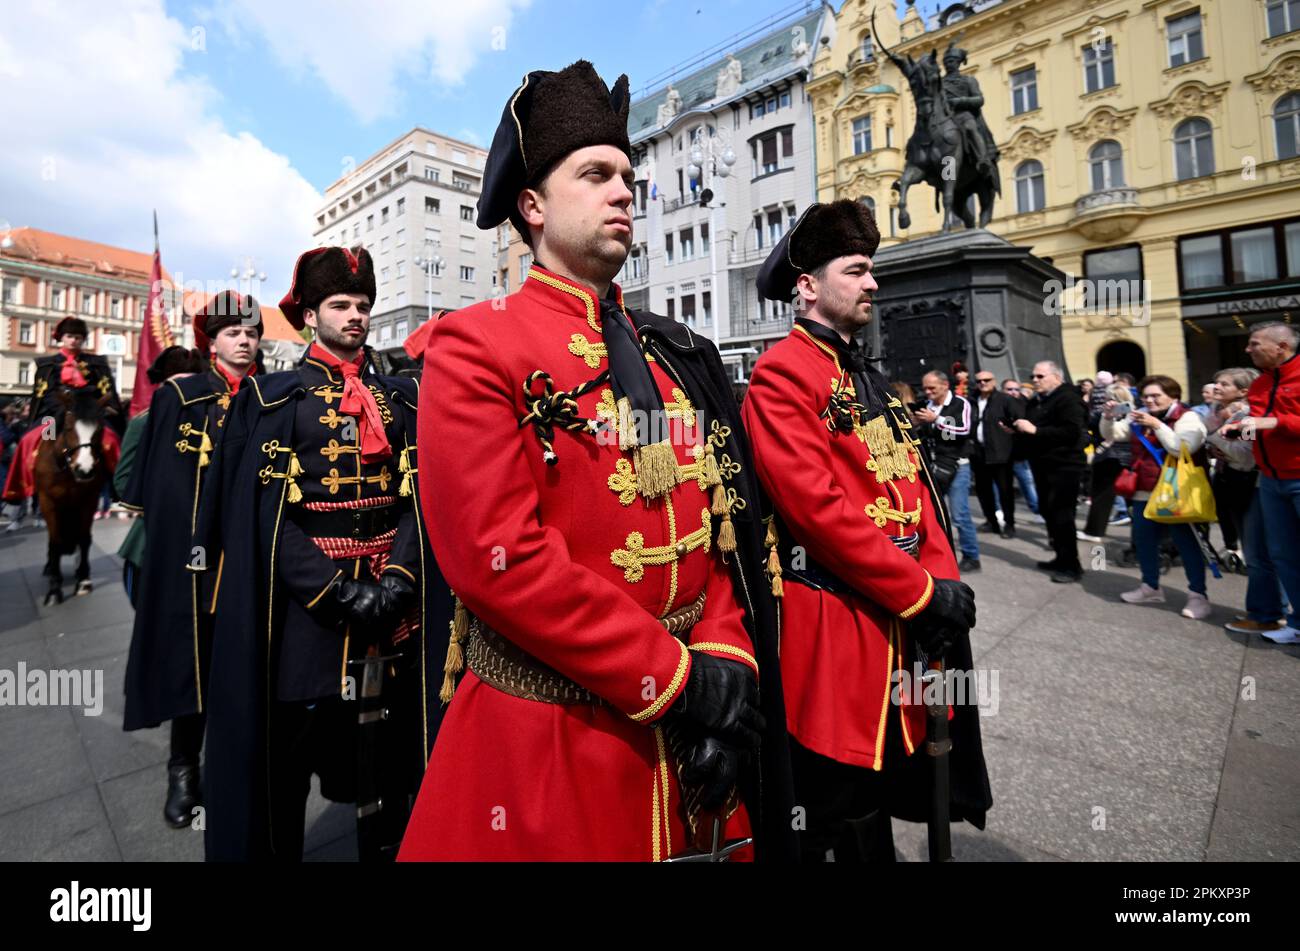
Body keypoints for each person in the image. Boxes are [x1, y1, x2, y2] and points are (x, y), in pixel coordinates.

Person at [397, 60, 795, 862]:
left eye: (627, 174)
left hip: (689, 755)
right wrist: (679, 684)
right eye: (596, 174)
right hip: (553, 742)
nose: (625, 191)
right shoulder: (476, 347)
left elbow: (704, 528)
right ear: (534, 206)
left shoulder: (657, 350)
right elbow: (498, 563)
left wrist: (724, 658)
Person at [742, 198, 988, 862]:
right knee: (830, 795)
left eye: (871, 269)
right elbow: (817, 511)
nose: (873, 282)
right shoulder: (783, 373)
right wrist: (917, 591)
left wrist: (942, 580)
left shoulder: (867, 374)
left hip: (898, 612)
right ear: (807, 286)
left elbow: (914, 490)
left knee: (880, 784)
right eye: (856, 269)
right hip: (837, 621)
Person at [192, 249, 447, 860]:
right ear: (310, 315)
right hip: (307, 620)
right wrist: (337, 591)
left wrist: (401, 578)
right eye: (340, 305)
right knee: (289, 765)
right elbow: (257, 517)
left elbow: (422, 493)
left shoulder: (401, 399)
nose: (355, 316)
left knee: (390, 766)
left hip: (392, 609)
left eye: (362, 305)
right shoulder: (273, 399)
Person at [120, 294, 263, 830]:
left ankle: (245, 768)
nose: (244, 340)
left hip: (253, 561)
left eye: (250, 333)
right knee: (192, 665)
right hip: (194, 564)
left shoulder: (273, 395)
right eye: (232, 333)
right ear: (212, 342)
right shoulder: (180, 395)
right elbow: (159, 488)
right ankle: (184, 769)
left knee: (248, 668)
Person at [1102, 375, 1210, 619]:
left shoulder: (1188, 417)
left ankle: (1198, 596)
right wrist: (1107, 417)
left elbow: (1181, 448)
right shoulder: (1139, 415)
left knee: (1186, 544)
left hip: (1177, 491)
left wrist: (1157, 425)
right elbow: (1113, 434)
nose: (1149, 400)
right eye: (1146, 396)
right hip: (1145, 487)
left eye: (1156, 396)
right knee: (1144, 540)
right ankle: (1150, 586)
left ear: (1173, 396)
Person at [1220, 322, 1300, 644]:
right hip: (1270, 479)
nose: (1247, 349)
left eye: (1254, 344)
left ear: (1281, 346)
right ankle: (1295, 624)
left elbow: (1275, 424)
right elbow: (1262, 429)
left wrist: (1271, 421)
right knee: (1283, 555)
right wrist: (1238, 431)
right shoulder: (1261, 384)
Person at [2, 317, 124, 506]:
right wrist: (65, 409)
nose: (74, 340)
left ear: (83, 339)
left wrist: (91, 408)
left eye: (78, 337)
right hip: (52, 414)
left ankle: (119, 487)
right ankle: (18, 489)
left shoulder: (96, 363)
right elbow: (45, 393)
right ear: (61, 338)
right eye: (69, 336)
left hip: (88, 413)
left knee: (111, 440)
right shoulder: (47, 365)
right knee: (29, 441)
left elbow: (104, 390)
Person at [1009, 361, 1087, 582]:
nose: (1035, 380)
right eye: (1033, 376)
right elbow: (1035, 432)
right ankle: (1061, 557)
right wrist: (1017, 429)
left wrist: (1035, 429)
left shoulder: (1069, 398)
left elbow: (1072, 431)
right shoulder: (1038, 400)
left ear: (1056, 377)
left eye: (1040, 376)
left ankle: (1072, 566)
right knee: (1048, 511)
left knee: (1062, 515)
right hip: (1042, 463)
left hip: (1065, 465)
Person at [914, 371, 980, 571]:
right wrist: (918, 424)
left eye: (932, 388)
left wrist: (936, 419)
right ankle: (940, 555)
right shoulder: (927, 405)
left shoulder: (961, 403)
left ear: (944, 385)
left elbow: (964, 429)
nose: (928, 392)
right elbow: (927, 435)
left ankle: (971, 556)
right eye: (925, 388)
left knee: (959, 513)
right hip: (934, 464)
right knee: (933, 513)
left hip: (958, 465)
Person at [1079, 381, 1135, 542]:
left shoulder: (1108, 413)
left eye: (1108, 398)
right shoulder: (1134, 412)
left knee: (1101, 495)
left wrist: (1105, 415)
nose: (1106, 402)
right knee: (1129, 497)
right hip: (1127, 458)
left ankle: (1094, 531)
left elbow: (1102, 431)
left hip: (1109, 456)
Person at [970, 369, 1021, 539]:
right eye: (979, 381)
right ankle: (991, 520)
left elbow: (1018, 421)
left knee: (1005, 491)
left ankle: (1009, 524)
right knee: (983, 491)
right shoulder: (972, 400)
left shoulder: (1005, 399)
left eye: (986, 380)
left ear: (994, 381)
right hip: (979, 453)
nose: (983, 383)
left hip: (1001, 453)